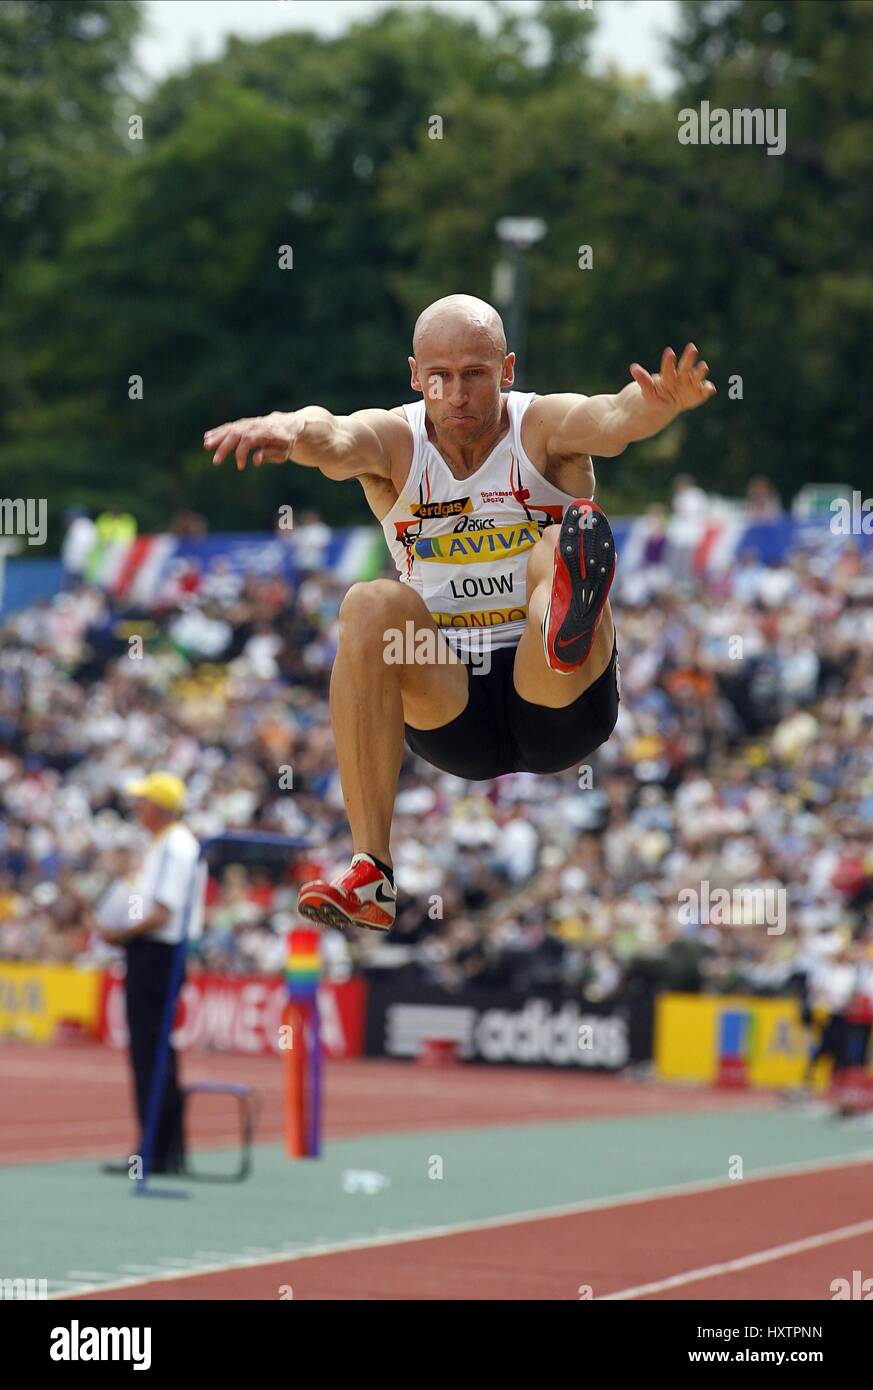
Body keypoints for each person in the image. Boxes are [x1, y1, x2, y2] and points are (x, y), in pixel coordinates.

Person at [204, 294, 715, 932]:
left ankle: (562, 626)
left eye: (474, 374)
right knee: (369, 603)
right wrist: (288, 426)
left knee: (564, 538)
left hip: (556, 701)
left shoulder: (542, 429)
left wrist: (658, 403)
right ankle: (371, 871)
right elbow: (333, 432)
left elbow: (611, 417)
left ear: (507, 371)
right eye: (439, 378)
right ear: (415, 377)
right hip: (453, 706)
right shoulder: (397, 444)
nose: (456, 395)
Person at [92, 772, 201, 1176]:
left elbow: (162, 911)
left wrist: (118, 932)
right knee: (153, 1051)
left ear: (157, 807)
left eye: (142, 802)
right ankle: (161, 1148)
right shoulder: (165, 844)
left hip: (158, 954)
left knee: (151, 1052)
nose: (137, 808)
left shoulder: (175, 845)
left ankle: (157, 1150)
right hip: (152, 951)